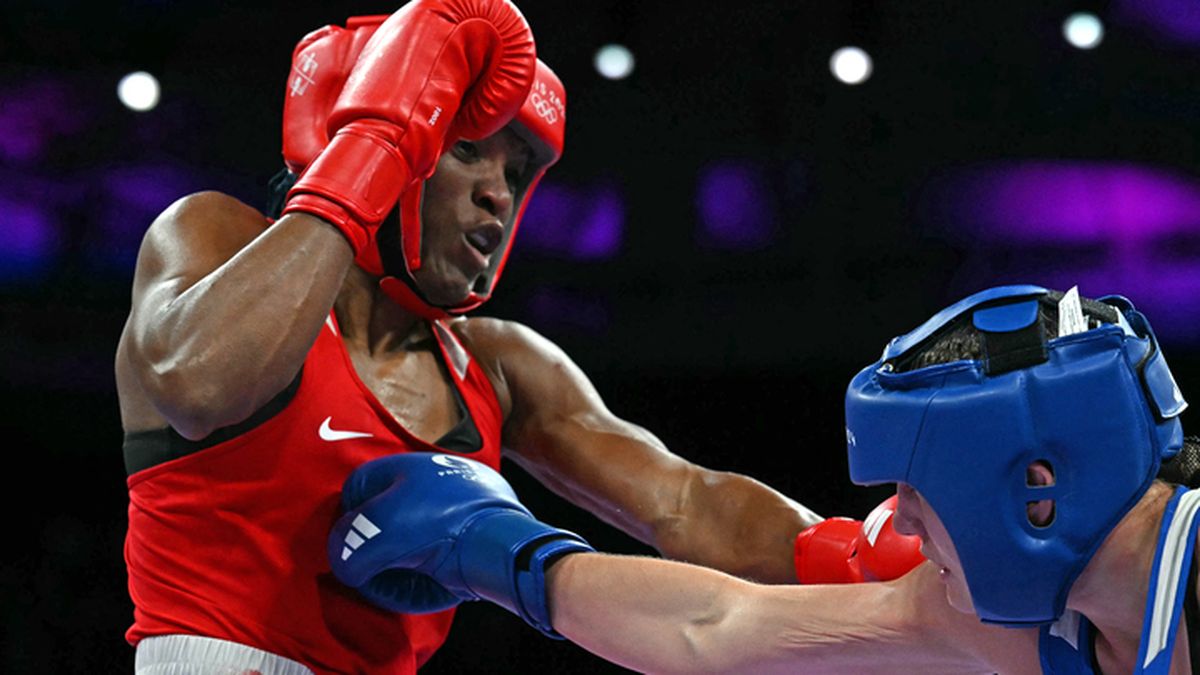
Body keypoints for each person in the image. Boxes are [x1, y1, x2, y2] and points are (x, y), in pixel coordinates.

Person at [117, 1, 922, 672]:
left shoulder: (497, 366)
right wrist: (373, 145)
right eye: (467, 148)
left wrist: (855, 553)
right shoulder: (214, 235)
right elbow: (199, 386)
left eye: (519, 169)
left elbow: (685, 499)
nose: (498, 194)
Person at [331, 284, 1200, 674]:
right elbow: (717, 626)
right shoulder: (1035, 627)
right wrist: (500, 553)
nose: (894, 515)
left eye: (916, 489)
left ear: (1033, 489)